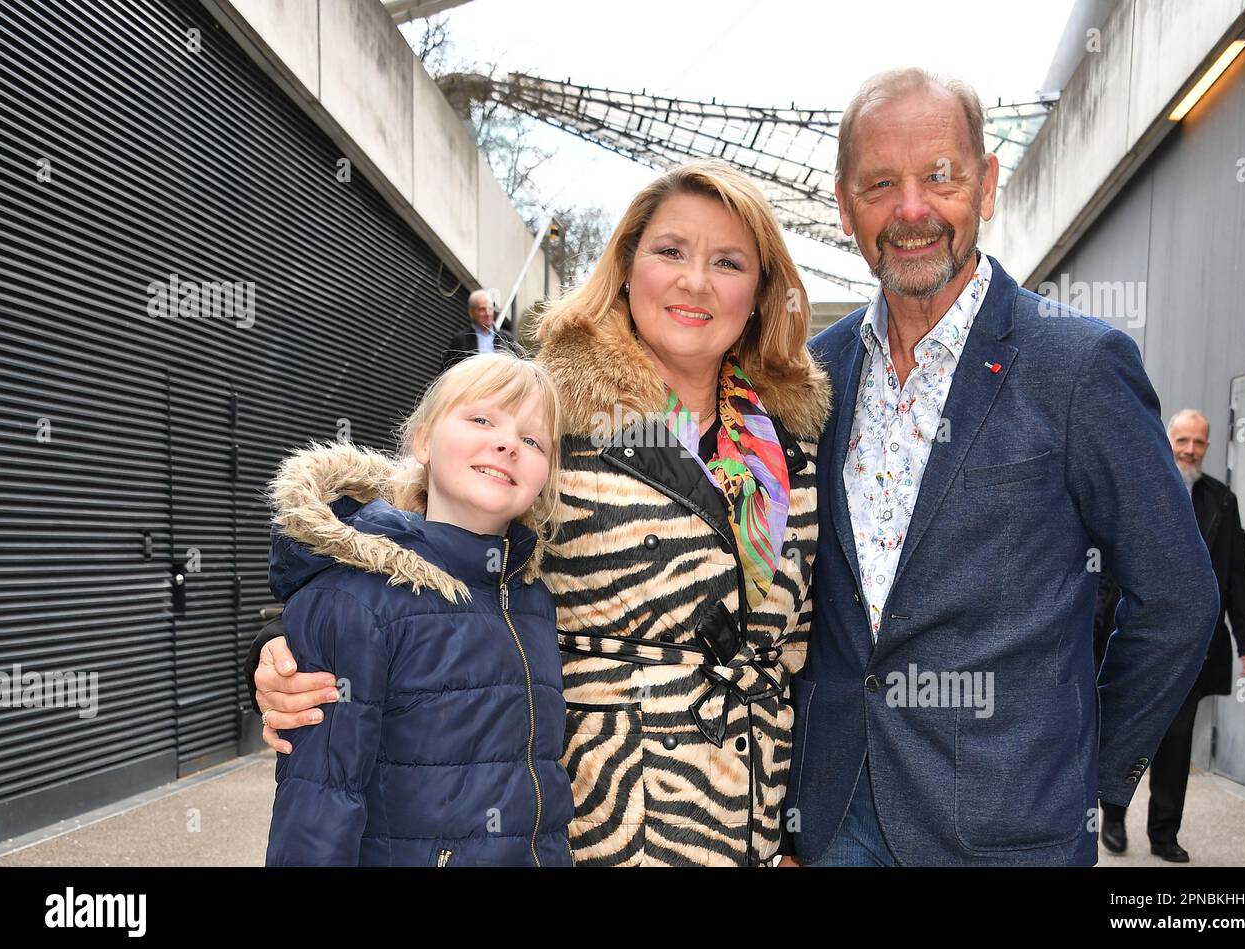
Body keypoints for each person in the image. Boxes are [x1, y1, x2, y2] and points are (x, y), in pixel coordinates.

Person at [246, 160, 832, 866]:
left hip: (755, 820)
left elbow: (820, 651)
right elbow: (407, 538)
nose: (695, 280)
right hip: (598, 824)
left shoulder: (793, 444)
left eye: (729, 262)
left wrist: (799, 830)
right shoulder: (546, 413)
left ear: (762, 290)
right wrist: (287, 652)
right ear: (625, 265)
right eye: (670, 250)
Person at [780, 68, 1219, 866]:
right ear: (846, 205)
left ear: (985, 186)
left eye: (939, 176)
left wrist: (1088, 779)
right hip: (834, 817)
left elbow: (1179, 597)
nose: (912, 209)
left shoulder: (1078, 365)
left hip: (1011, 831)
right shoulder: (815, 374)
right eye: (882, 183)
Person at [263, 352, 573, 866]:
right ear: (423, 442)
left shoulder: (531, 598)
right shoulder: (356, 596)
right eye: (481, 419)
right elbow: (320, 797)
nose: (507, 444)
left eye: (532, 439)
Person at [1097, 409, 1245, 863]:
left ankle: (1164, 834)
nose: (1190, 450)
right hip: (1133, 643)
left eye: (1199, 443)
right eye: (1182, 440)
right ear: (1166, 439)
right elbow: (1105, 571)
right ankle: (1111, 817)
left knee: (1176, 740)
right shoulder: (1139, 490)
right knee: (1124, 733)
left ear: (1207, 446)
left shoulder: (1222, 501)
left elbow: (1237, 572)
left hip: (1191, 649)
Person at [439, 289, 518, 374]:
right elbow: (445, 371)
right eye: (482, 309)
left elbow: (518, 367)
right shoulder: (461, 340)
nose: (487, 313)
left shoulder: (507, 338)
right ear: (471, 313)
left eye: (490, 308)